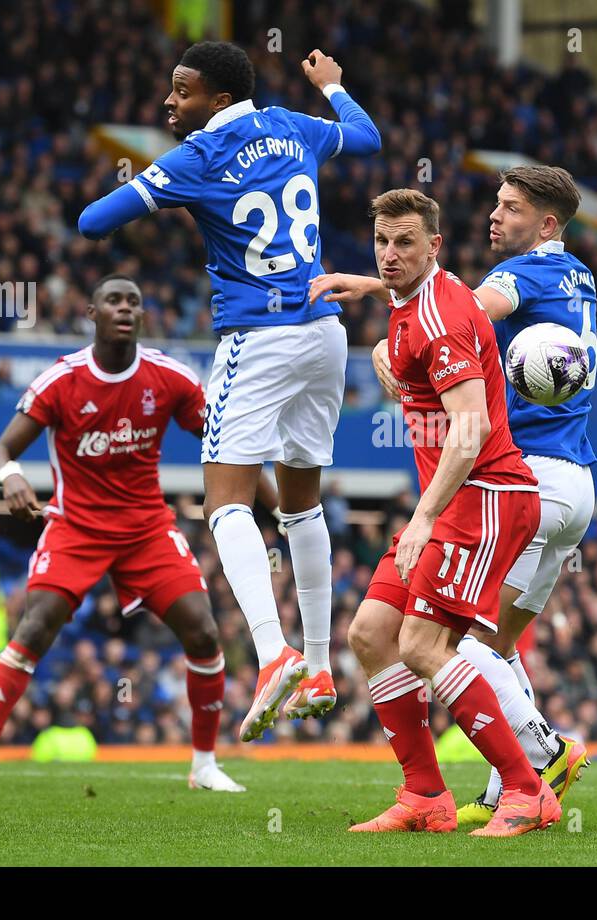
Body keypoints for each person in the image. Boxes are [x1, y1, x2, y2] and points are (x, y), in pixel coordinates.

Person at [78, 42, 381, 742]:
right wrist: (334, 87)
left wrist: (167, 188)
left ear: (215, 99)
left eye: (180, 92)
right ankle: (316, 663)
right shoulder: (292, 124)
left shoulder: (198, 156)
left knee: (224, 503)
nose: (168, 103)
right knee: (302, 504)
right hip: (326, 333)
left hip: (259, 337)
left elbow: (93, 222)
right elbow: (366, 136)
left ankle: (272, 653)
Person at [310, 166, 595, 823]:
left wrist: (422, 517)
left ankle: (532, 779)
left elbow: (469, 389)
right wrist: (375, 291)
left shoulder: (475, 296)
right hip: (551, 478)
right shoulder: (568, 275)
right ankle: (427, 796)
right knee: (377, 633)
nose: (389, 254)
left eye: (405, 243)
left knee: (434, 645)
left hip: (494, 488)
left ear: (434, 247)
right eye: (382, 241)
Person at [0, 275, 243, 793]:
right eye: (114, 300)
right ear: (92, 312)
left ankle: (203, 764)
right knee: (35, 627)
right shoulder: (60, 382)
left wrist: (279, 503)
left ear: (142, 315)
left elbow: (225, 440)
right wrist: (12, 477)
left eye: (134, 300)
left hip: (145, 527)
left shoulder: (168, 378)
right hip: (76, 526)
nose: (125, 308)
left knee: (203, 630)